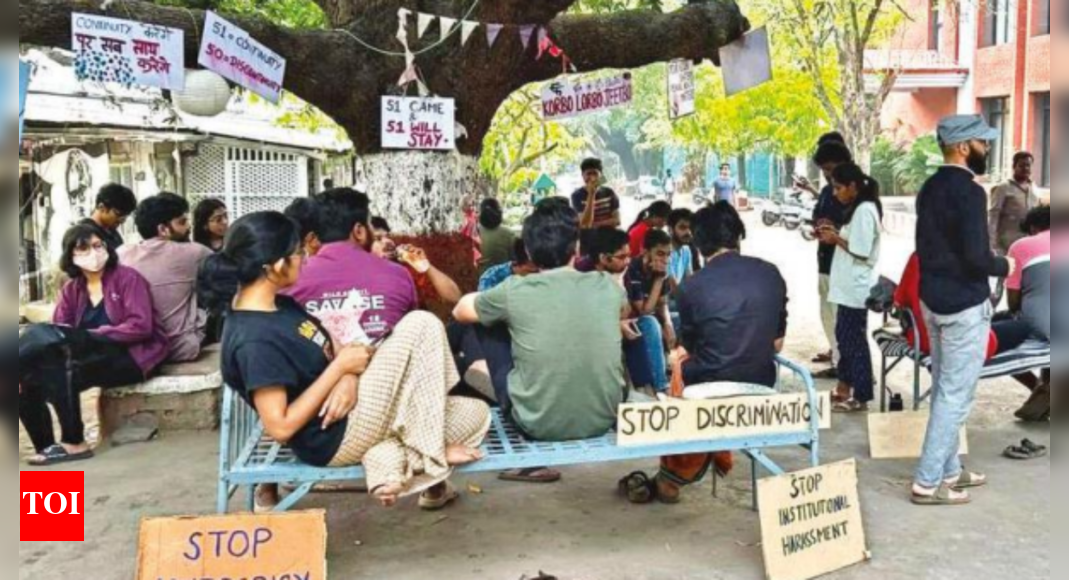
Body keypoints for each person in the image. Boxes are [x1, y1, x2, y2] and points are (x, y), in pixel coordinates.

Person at [202, 212, 490, 510]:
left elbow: (336, 345)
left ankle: (388, 455)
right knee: (422, 324)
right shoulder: (255, 340)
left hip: (354, 404)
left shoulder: (281, 304)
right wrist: (339, 369)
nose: (305, 259)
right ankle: (425, 453)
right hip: (332, 436)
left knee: (476, 413)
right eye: (298, 253)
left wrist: (348, 377)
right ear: (275, 266)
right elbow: (281, 427)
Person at [631, 202, 788, 504]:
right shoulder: (771, 274)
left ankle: (672, 477)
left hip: (707, 389)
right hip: (762, 384)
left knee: (679, 366)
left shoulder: (691, 287)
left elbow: (688, 348)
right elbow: (777, 344)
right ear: (738, 235)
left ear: (699, 245)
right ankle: (689, 467)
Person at [453, 198, 629, 442]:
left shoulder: (514, 290)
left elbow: (459, 311)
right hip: (603, 419)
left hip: (535, 423)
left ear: (527, 251)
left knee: (487, 319)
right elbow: (623, 311)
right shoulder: (607, 285)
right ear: (577, 248)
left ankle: (480, 372)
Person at [912, 115, 1017, 507]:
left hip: (932, 301)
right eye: (981, 142)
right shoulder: (970, 192)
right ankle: (927, 483)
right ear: (962, 147)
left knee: (944, 389)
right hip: (963, 306)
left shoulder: (929, 188)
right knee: (955, 396)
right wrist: (1004, 265)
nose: (986, 148)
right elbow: (976, 257)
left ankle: (950, 470)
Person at [19, 224, 169, 466]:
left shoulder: (128, 278)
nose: (94, 252)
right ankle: (47, 448)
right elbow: (58, 334)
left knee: (52, 353)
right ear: (71, 256)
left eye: (98, 246)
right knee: (24, 379)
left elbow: (141, 326)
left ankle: (74, 442)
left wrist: (91, 335)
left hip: (131, 357)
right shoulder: (72, 289)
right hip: (88, 357)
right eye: (84, 248)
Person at [285, 189, 419, 347]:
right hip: (389, 361)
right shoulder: (397, 275)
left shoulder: (291, 277)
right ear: (359, 231)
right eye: (370, 224)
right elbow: (413, 334)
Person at [817, 164, 882, 413]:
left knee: (854, 343)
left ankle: (861, 395)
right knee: (844, 339)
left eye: (838, 188)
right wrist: (835, 234)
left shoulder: (865, 210)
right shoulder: (859, 209)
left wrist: (835, 239)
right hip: (847, 288)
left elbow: (861, 250)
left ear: (853, 186)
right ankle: (844, 387)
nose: (835, 193)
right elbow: (854, 242)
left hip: (856, 289)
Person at [120, 193, 213, 363]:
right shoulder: (194, 252)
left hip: (136, 351)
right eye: (182, 222)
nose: (188, 227)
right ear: (163, 229)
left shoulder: (122, 253)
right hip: (181, 349)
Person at [807, 138, 854, 377]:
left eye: (829, 168)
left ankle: (848, 368)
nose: (826, 175)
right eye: (823, 170)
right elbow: (817, 215)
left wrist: (836, 234)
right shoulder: (826, 191)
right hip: (825, 262)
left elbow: (860, 237)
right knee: (828, 315)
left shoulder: (859, 196)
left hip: (845, 266)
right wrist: (818, 227)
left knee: (843, 320)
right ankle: (838, 361)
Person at [1005, 206, 1051, 421]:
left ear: (1032, 228)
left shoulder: (1020, 246)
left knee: (998, 336)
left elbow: (1013, 302)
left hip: (1040, 324)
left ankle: (1039, 389)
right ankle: (1046, 392)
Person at [370, 215, 463, 307]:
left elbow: (455, 297)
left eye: (388, 236)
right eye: (378, 239)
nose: (388, 241)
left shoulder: (408, 270)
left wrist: (425, 265)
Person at [624, 230, 675, 394]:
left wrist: (668, 324)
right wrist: (659, 279)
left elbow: (663, 304)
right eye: (660, 254)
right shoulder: (633, 269)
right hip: (630, 320)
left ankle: (677, 373)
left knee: (677, 318)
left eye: (668, 254)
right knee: (651, 323)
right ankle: (661, 386)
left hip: (649, 315)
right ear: (645, 252)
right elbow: (644, 311)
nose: (665, 260)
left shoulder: (661, 269)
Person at [989, 152, 1039, 255]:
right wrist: (991, 245)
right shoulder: (1003, 188)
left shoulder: (1034, 189)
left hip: (1028, 245)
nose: (1025, 168)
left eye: (1028, 165)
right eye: (1021, 165)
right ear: (1014, 166)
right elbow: (993, 217)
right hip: (1005, 247)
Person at [80, 183, 137, 252]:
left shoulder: (112, 231)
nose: (122, 220)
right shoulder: (83, 233)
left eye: (126, 216)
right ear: (102, 207)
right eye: (118, 214)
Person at [572, 158, 622, 230]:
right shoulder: (576, 196)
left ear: (601, 175)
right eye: (588, 174)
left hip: (609, 234)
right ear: (582, 175)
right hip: (589, 236)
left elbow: (617, 221)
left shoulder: (609, 192)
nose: (592, 178)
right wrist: (591, 194)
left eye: (595, 173)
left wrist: (594, 224)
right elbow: (585, 225)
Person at [476, 198, 517, 276]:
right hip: (503, 280)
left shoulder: (472, 233)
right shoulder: (509, 234)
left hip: (478, 280)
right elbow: (516, 262)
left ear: (480, 214)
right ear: (499, 213)